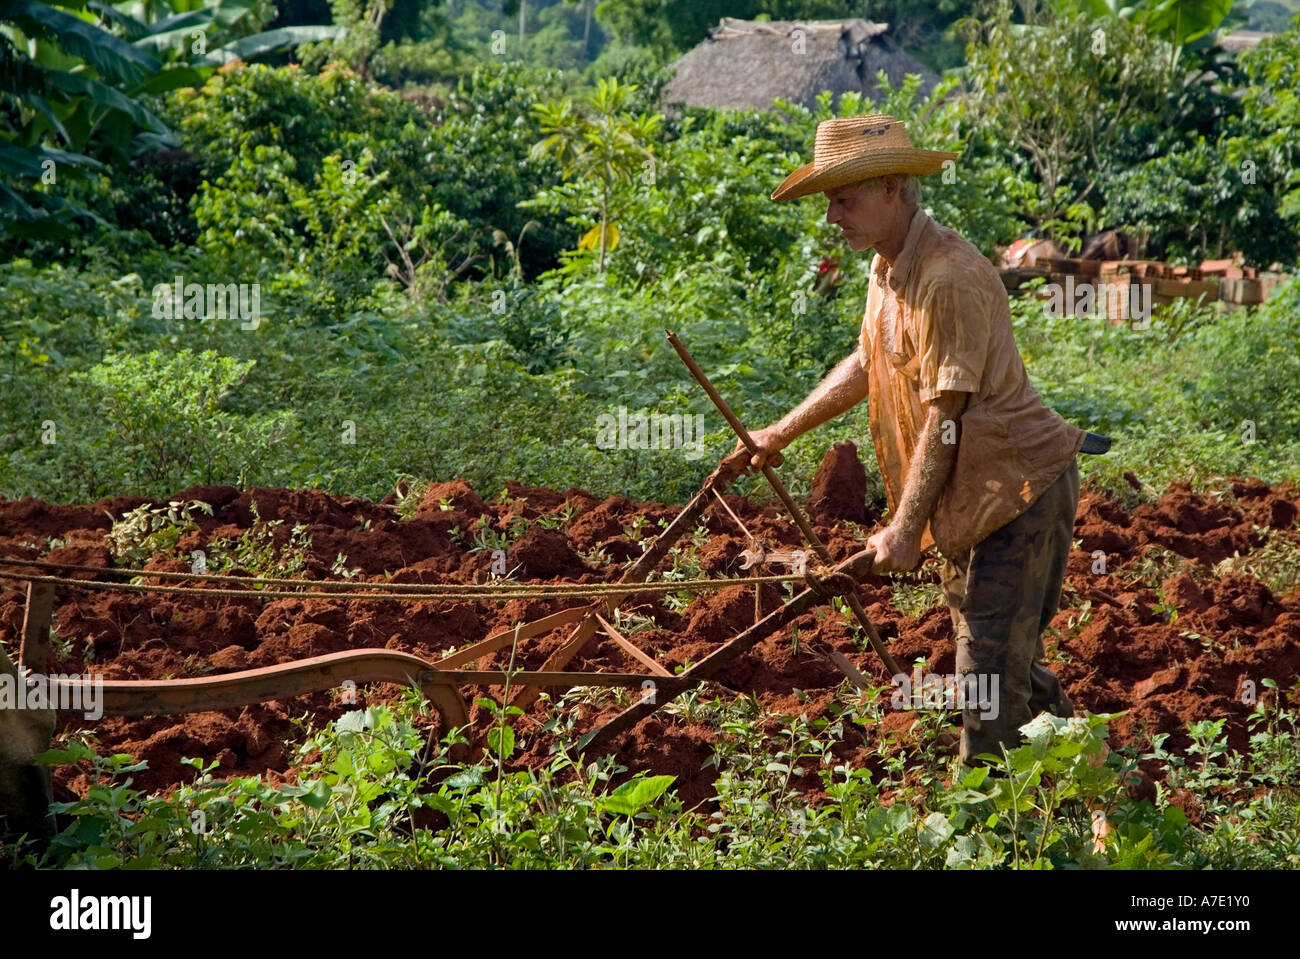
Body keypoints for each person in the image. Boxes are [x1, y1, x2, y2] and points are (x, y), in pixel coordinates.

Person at [742, 114, 1098, 767]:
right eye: (828, 200)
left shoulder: (947, 276)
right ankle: (1097, 782)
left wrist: (904, 530)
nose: (831, 216)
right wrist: (780, 431)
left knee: (985, 677)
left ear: (891, 189)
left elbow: (947, 416)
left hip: (1015, 494)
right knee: (1004, 657)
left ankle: (987, 829)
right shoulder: (886, 270)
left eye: (843, 199)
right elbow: (866, 361)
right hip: (971, 499)